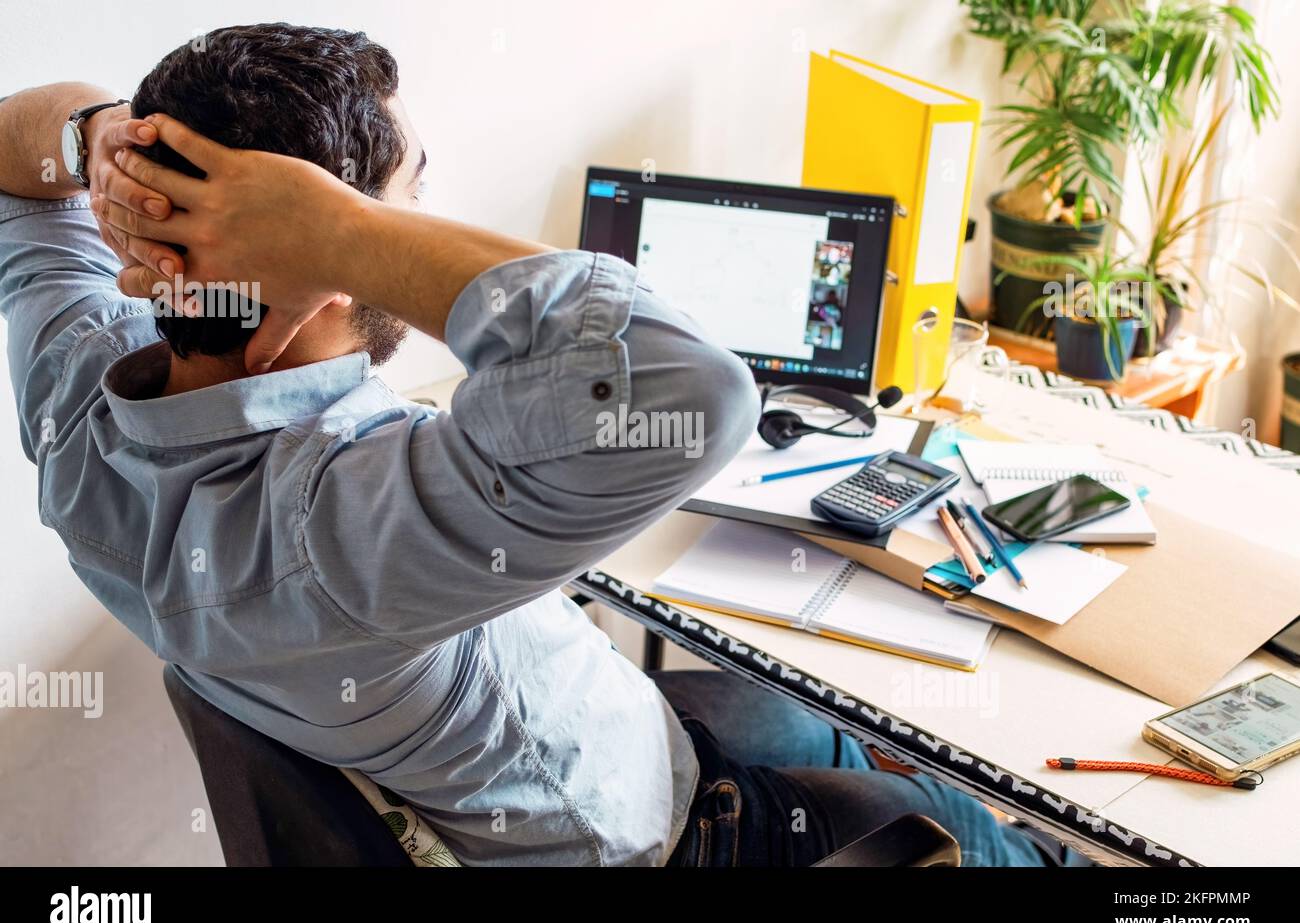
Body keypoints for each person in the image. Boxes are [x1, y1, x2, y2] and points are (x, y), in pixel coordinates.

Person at [0, 22, 1074, 866]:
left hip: (617, 719)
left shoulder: (81, 407)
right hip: (675, 830)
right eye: (404, 201)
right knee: (958, 814)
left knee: (816, 722)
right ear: (316, 264)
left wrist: (99, 128)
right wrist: (339, 233)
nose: (419, 215)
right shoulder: (344, 527)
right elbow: (693, 385)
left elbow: (9, 158)